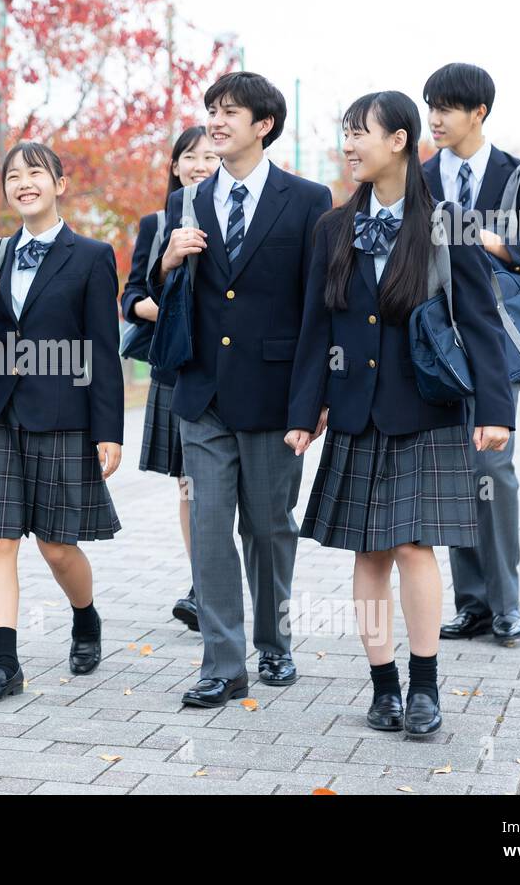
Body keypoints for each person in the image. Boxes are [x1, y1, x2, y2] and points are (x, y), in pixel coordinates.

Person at [285, 90, 515, 736]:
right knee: (369, 554)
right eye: (344, 132)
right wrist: (305, 411)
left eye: (360, 132)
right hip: (356, 412)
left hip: (428, 408)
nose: (348, 144)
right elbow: (315, 327)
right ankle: (382, 686)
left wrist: (495, 410)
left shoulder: (450, 220)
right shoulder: (332, 226)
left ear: (399, 141)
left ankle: (425, 687)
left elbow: (481, 320)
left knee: (416, 547)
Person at [149, 72, 332, 707]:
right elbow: (155, 292)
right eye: (211, 111)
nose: (216, 122)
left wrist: (313, 402)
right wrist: (167, 259)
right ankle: (223, 663)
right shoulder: (186, 202)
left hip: (277, 396)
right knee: (207, 526)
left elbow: (318, 309)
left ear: (265, 125)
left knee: (270, 527)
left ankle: (274, 642)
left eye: (230, 112)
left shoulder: (309, 200)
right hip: (202, 394)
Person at [0, 141, 125, 704]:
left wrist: (109, 430)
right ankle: (5, 663)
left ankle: (85, 617)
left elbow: (102, 348)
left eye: (35, 173)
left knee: (56, 546)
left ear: (59, 184)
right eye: (13, 176)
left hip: (62, 418)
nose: (23, 182)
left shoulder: (93, 256)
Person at [421, 62, 520, 645]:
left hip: (496, 341)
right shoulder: (421, 177)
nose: (434, 118)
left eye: (446, 108)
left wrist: (492, 242)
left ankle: (505, 602)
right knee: (456, 471)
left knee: (490, 466)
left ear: (478, 112)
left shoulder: (518, 177)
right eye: (429, 106)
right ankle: (473, 604)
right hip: (434, 342)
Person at [120, 125, 220, 631]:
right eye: (190, 157)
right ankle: (203, 585)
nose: (201, 164)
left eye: (209, 156)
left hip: (231, 368)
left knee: (227, 487)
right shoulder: (157, 223)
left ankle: (217, 582)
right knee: (190, 486)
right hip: (178, 369)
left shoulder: (238, 218)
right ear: (176, 167)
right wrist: (169, 302)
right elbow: (131, 297)